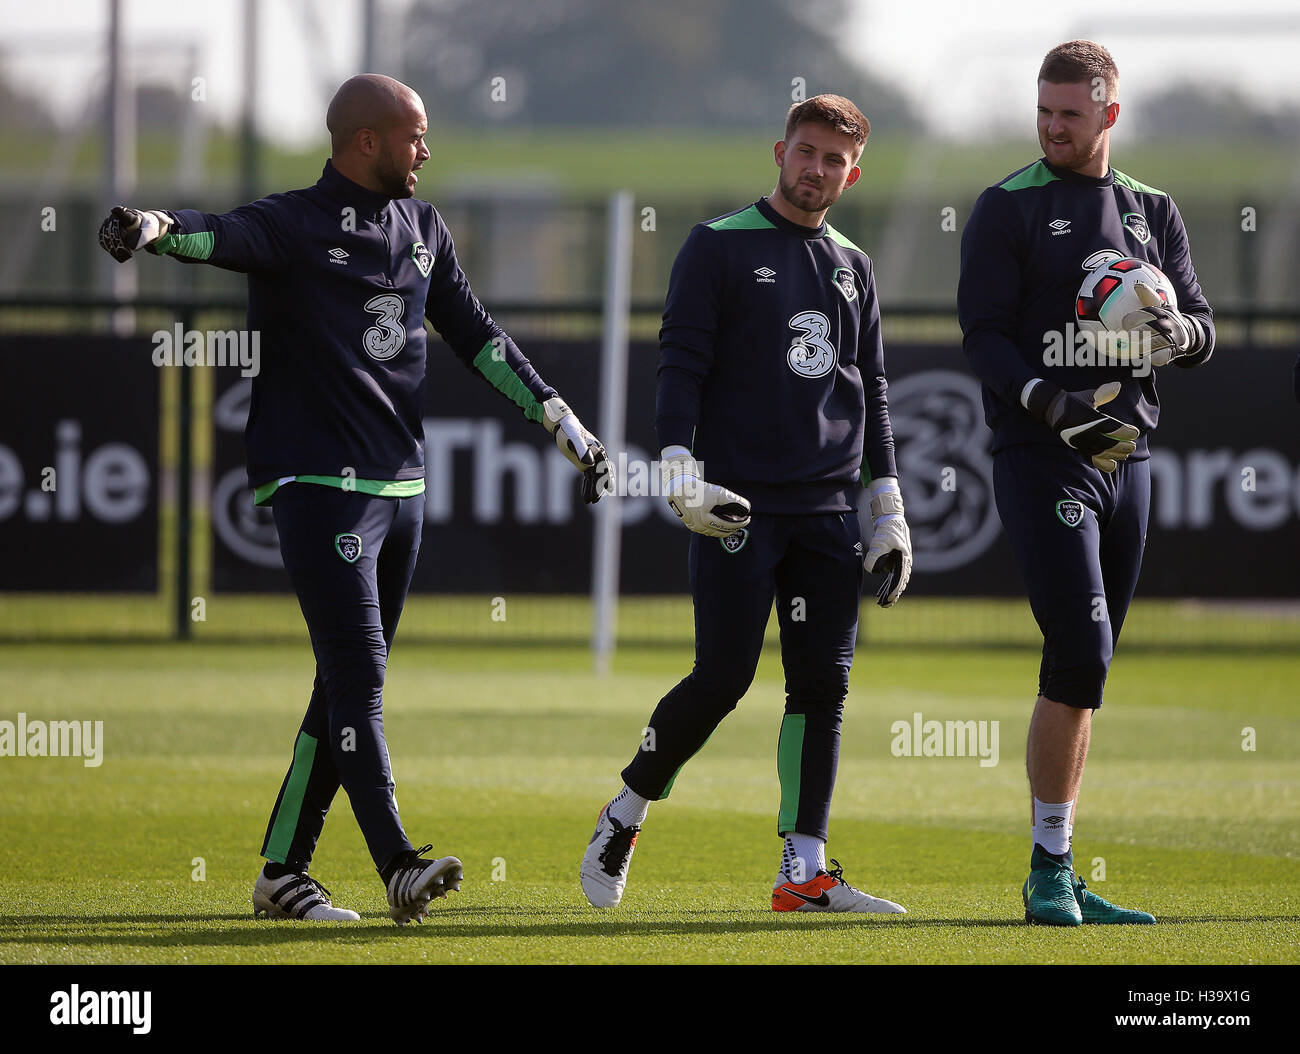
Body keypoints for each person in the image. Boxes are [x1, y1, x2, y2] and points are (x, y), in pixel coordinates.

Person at [99, 74, 612, 926]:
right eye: (414, 134)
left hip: (402, 487)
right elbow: (216, 236)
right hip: (319, 485)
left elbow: (478, 336)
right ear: (364, 140)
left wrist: (559, 417)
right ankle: (399, 865)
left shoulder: (423, 227)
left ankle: (281, 874)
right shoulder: (294, 221)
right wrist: (154, 228)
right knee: (359, 680)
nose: (426, 149)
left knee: (337, 689)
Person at [580, 94, 912, 913]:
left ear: (853, 171)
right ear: (780, 151)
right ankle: (625, 811)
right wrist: (679, 469)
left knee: (822, 687)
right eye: (806, 152)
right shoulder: (717, 245)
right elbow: (679, 364)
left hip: (829, 510)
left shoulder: (854, 264)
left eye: (834, 160)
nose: (817, 169)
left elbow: (871, 388)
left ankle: (804, 871)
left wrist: (887, 503)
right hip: (737, 506)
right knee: (724, 676)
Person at [958, 41, 1214, 925]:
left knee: (1086, 668)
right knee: (1082, 648)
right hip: (1043, 455)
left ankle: (1060, 861)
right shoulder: (1006, 208)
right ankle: (1047, 872)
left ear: (1108, 114)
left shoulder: (1151, 210)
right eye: (1044, 111)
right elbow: (983, 337)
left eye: (1070, 113)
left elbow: (1201, 323)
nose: (1052, 126)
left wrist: (1174, 331)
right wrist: (1052, 405)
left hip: (1127, 461)